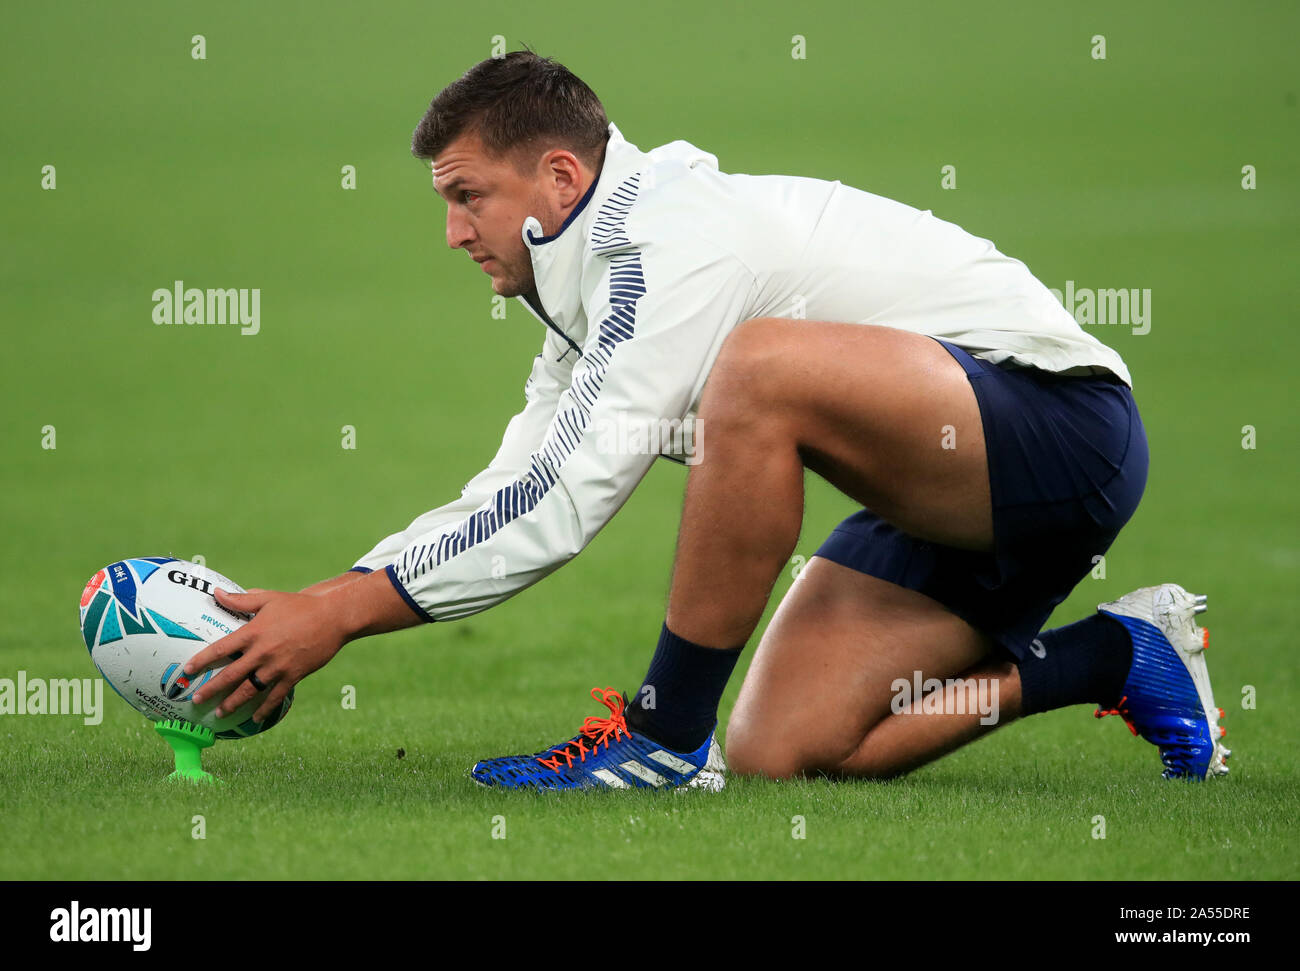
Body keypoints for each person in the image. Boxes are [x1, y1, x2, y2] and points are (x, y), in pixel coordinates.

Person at [183, 50, 1230, 790]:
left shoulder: (669, 243)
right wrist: (330, 597)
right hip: (942, 489)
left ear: (558, 176)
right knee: (788, 746)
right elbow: (521, 483)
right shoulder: (589, 285)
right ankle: (1120, 653)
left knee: (757, 369)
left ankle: (662, 741)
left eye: (468, 197)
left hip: (1060, 428)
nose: (453, 233)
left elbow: (575, 493)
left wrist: (342, 616)